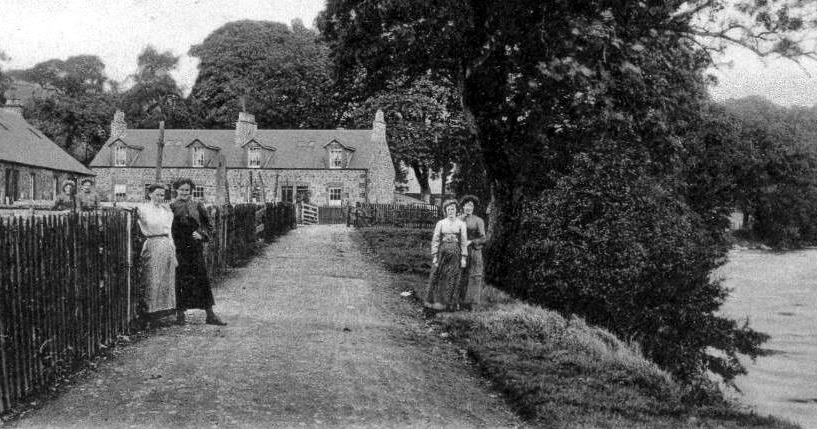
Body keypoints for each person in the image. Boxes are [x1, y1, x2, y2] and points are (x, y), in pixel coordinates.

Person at [171, 178, 226, 326]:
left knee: (201, 279)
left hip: (195, 249)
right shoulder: (171, 206)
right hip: (179, 248)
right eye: (181, 190)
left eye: (187, 190)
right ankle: (180, 315)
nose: (184, 192)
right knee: (179, 280)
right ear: (176, 190)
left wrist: (202, 235)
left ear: (191, 191)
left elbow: (210, 226)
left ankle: (210, 315)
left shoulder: (198, 205)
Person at [135, 184, 177, 326]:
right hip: (152, 244)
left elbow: (169, 231)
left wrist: (173, 250)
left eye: (162, 195)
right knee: (152, 279)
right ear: (150, 194)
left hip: (166, 244)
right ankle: (150, 312)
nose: (160, 197)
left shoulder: (166, 211)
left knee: (166, 279)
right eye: (157, 194)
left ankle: (164, 312)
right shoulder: (143, 209)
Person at [424, 199, 468, 311]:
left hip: (455, 254)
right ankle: (436, 303)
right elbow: (436, 240)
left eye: (452, 209)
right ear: (445, 211)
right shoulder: (441, 223)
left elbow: (463, 241)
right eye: (448, 209)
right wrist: (434, 256)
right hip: (442, 253)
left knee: (452, 277)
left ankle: (450, 303)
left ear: (456, 210)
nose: (450, 211)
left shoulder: (461, 224)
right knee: (438, 275)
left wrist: (463, 258)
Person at [458, 195, 488, 310]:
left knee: (473, 276)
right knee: (461, 275)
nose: (468, 207)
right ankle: (459, 301)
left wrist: (471, 242)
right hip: (460, 250)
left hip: (474, 251)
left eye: (471, 205)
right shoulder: (458, 219)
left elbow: (483, 238)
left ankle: (471, 303)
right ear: (463, 206)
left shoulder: (478, 220)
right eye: (466, 205)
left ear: (474, 207)